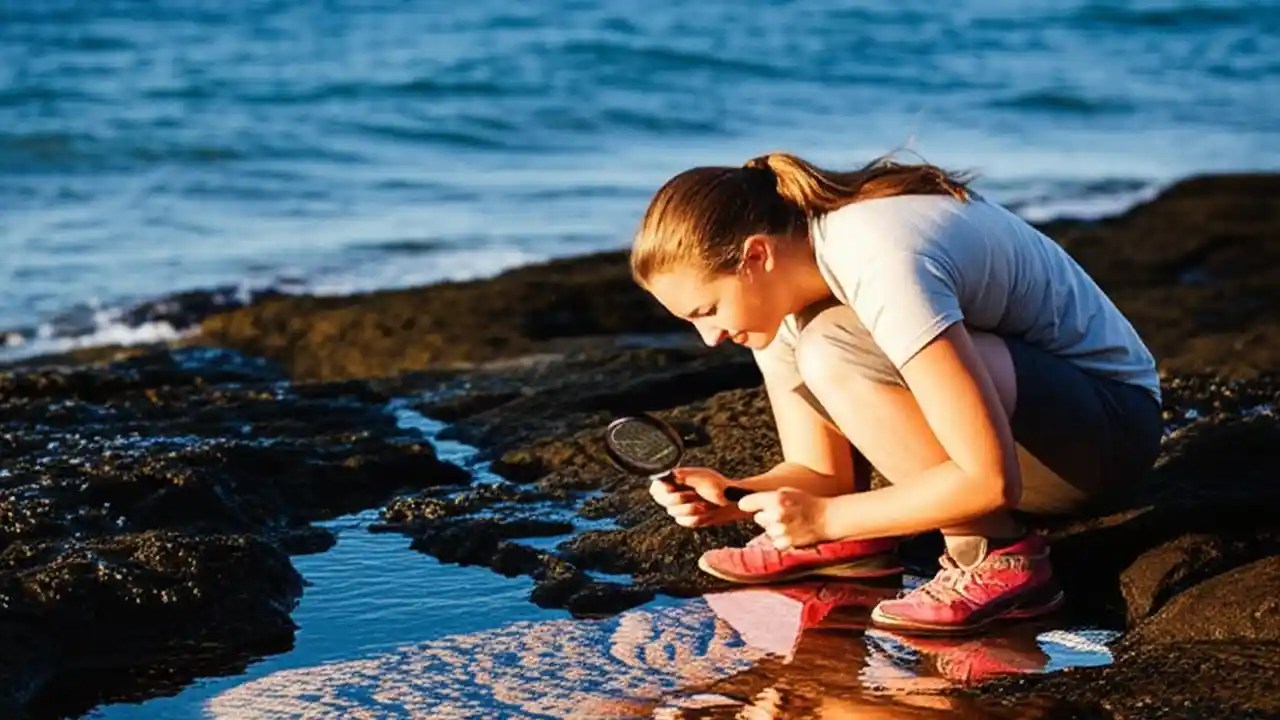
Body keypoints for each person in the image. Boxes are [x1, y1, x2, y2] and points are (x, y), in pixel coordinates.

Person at [629, 152, 1162, 634]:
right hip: (1038, 433)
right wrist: (736, 497)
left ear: (756, 255)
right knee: (825, 341)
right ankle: (853, 549)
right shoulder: (781, 296)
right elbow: (825, 477)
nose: (710, 338)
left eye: (707, 311)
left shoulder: (877, 255)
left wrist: (827, 520)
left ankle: (998, 555)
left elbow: (990, 480)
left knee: (832, 345)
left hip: (1106, 435)